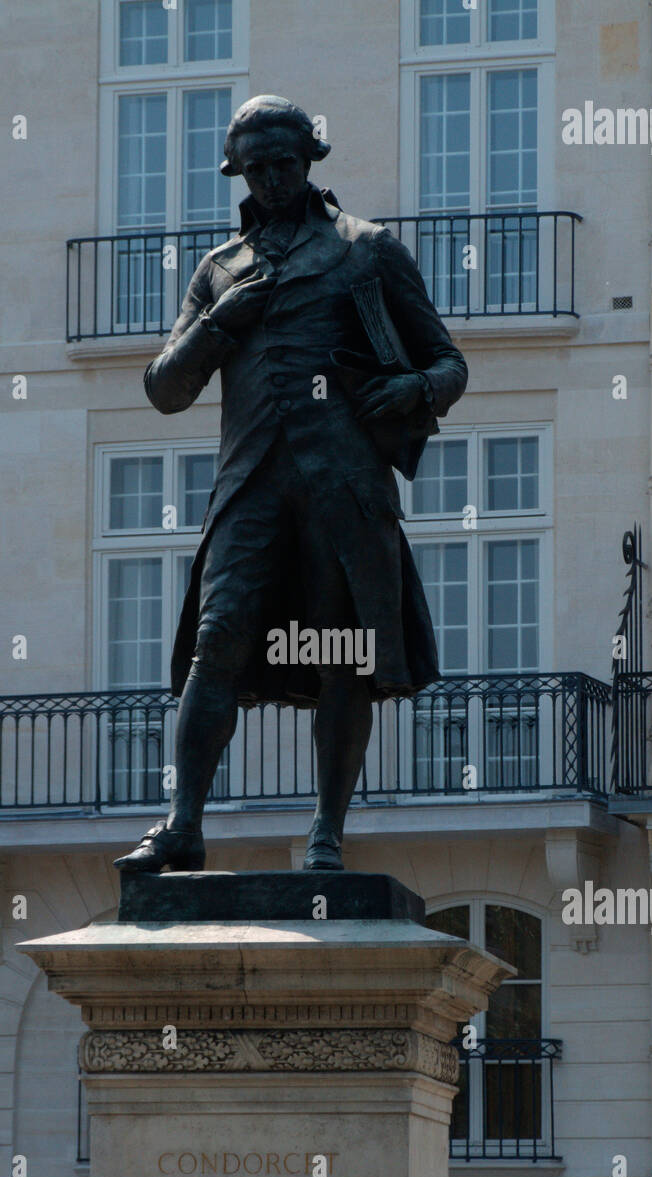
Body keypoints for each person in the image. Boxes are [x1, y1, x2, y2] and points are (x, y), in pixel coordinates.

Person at [115, 95, 467, 874]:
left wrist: (414, 392)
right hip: (250, 486)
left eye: (285, 163)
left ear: (309, 160)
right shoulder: (218, 272)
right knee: (217, 643)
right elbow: (164, 390)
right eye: (256, 167)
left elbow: (447, 361)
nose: (273, 178)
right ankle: (183, 826)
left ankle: (325, 836)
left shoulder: (364, 249)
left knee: (341, 656)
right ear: (236, 171)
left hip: (343, 486)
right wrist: (220, 323)